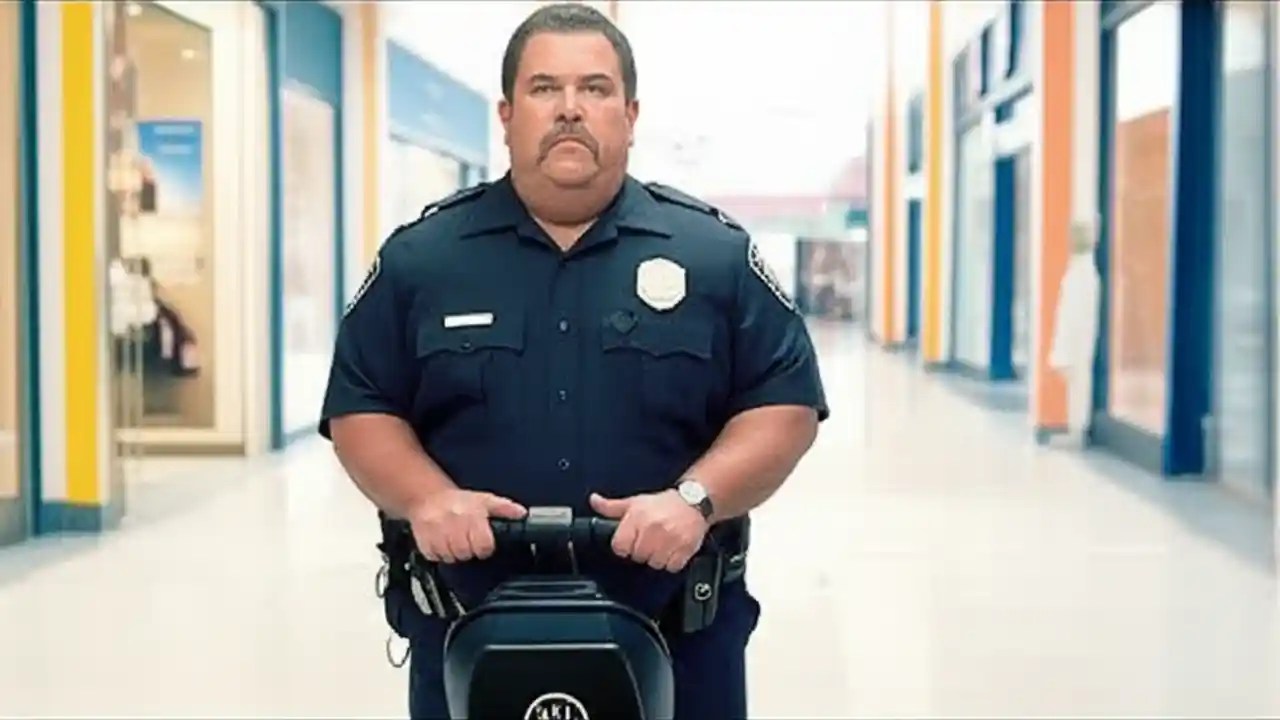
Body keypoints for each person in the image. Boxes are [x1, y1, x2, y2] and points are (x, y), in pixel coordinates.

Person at [319, 3, 828, 718]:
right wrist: (426, 497)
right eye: (543, 88)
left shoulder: (715, 257)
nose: (569, 109)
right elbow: (362, 406)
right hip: (467, 635)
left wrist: (694, 501)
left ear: (630, 112)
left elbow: (784, 407)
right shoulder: (420, 261)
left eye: (594, 89)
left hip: (681, 643)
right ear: (506, 112)